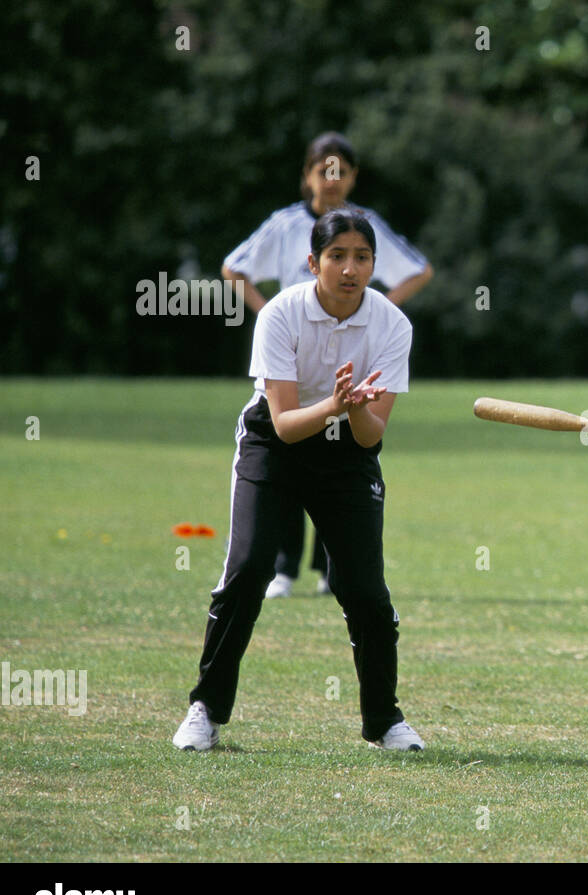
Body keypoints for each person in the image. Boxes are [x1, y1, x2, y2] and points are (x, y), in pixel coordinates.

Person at [173, 208, 424, 752]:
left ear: (375, 266)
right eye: (337, 256)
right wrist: (336, 402)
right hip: (274, 446)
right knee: (248, 570)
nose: (349, 269)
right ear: (313, 263)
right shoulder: (281, 314)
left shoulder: (391, 325)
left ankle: (384, 721)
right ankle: (205, 709)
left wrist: (353, 409)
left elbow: (369, 437)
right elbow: (285, 426)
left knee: (364, 590)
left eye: (362, 258)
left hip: (346, 457)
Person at [222, 131, 432, 599]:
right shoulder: (283, 226)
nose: (332, 180)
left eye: (341, 171)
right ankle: (283, 568)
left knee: (339, 466)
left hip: (347, 366)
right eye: (324, 169)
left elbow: (419, 270)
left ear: (353, 177)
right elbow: (233, 269)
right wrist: (270, 314)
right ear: (307, 176)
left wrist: (372, 309)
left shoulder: (365, 226)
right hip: (294, 360)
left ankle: (328, 570)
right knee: (286, 449)